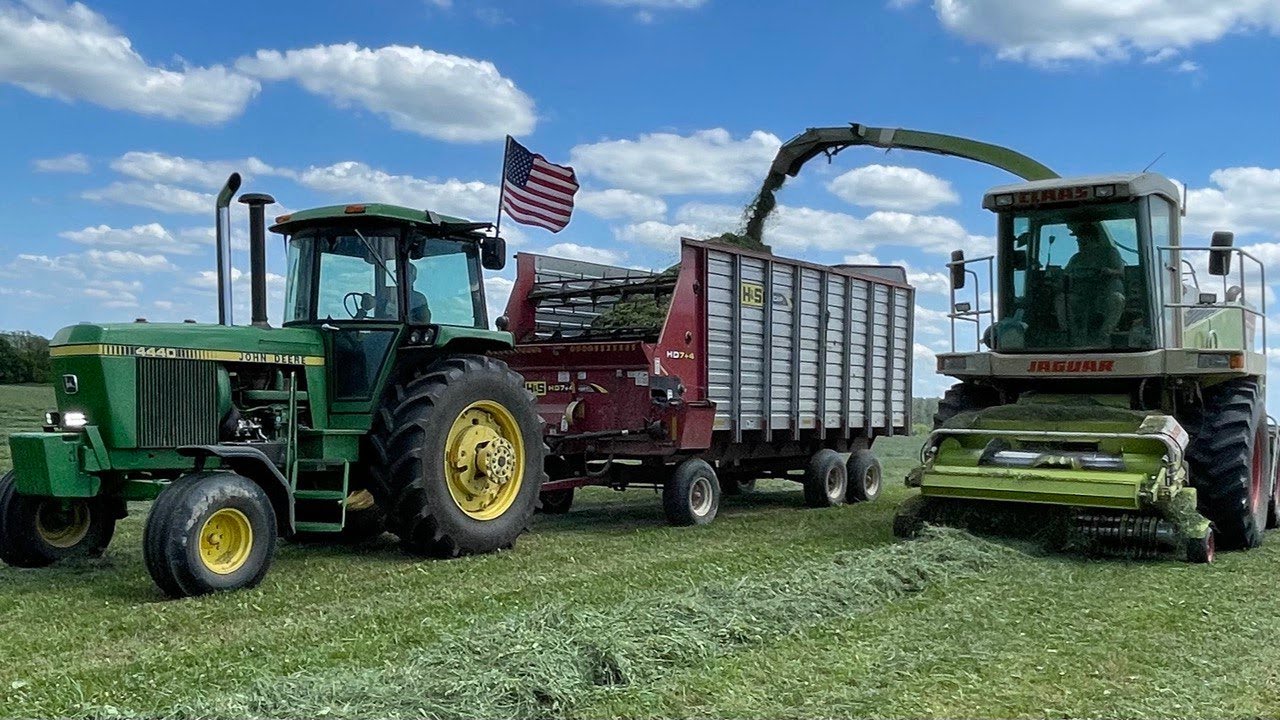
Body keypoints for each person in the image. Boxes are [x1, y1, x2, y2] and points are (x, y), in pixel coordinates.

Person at [1064, 223, 1125, 346]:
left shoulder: (1110, 253)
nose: (1079, 243)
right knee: (1062, 300)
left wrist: (1108, 271)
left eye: (1082, 241)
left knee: (1117, 299)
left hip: (1103, 295)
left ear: (1092, 239)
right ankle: (1072, 337)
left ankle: (1103, 336)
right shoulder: (1076, 258)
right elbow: (1065, 275)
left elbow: (1121, 272)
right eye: (1078, 241)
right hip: (1081, 296)